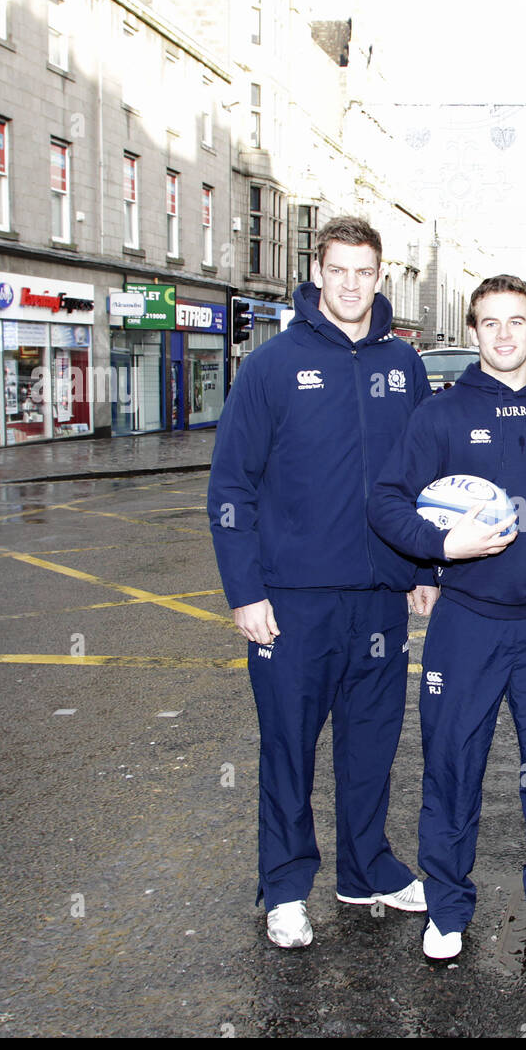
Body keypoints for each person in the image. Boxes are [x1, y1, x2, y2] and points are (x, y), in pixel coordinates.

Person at [208, 216, 434, 949]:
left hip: (379, 598)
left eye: (363, 271)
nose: (350, 283)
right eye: (337, 269)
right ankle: (284, 886)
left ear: (380, 276)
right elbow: (232, 486)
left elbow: (423, 481)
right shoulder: (271, 366)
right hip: (292, 604)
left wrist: (423, 567)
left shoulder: (406, 367)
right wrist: (245, 592)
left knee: (371, 746)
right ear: (317, 269)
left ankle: (365, 869)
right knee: (288, 749)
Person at [368, 275, 526, 959]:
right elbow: (387, 500)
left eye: (516, 321)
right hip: (466, 623)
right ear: (473, 331)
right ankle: (447, 907)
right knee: (450, 766)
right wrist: (437, 548)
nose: (503, 335)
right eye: (489, 323)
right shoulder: (440, 415)